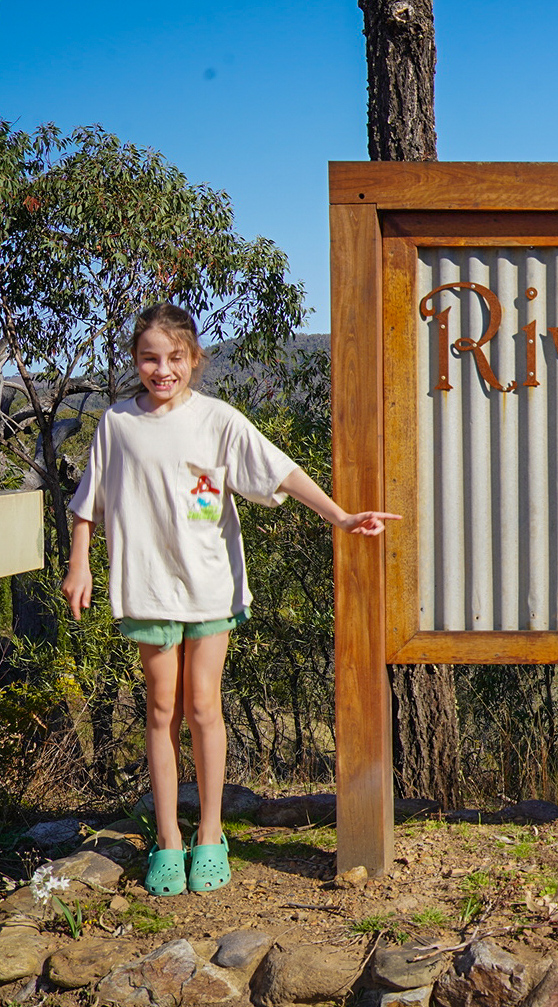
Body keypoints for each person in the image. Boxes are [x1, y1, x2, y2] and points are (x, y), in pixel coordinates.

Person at [61, 303, 400, 897]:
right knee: (160, 709)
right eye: (150, 358)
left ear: (194, 359)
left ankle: (211, 832)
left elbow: (280, 471)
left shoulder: (217, 419)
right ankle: (168, 838)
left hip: (210, 586)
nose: (162, 370)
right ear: (135, 361)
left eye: (175, 358)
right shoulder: (118, 423)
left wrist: (342, 517)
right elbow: (89, 501)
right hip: (148, 586)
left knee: (202, 705)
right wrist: (78, 563)